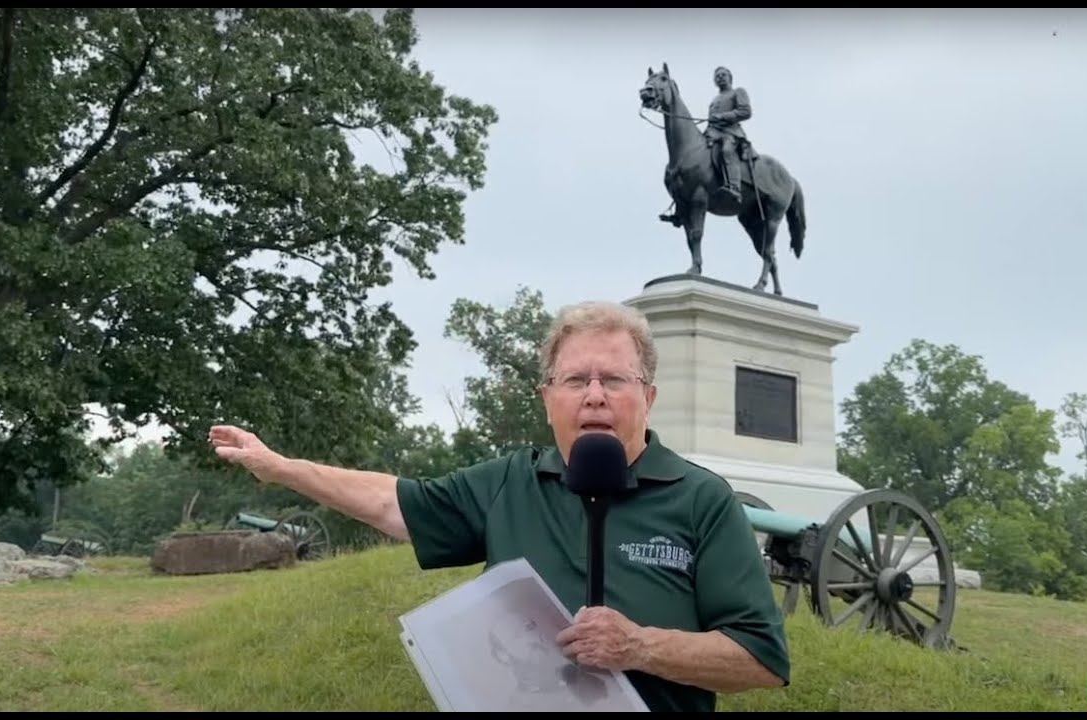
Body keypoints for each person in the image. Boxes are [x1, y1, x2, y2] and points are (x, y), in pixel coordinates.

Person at [209, 301, 791, 712]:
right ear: (547, 399)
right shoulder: (510, 481)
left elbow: (760, 658)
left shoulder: (702, 499)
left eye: (614, 379)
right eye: (575, 380)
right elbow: (392, 502)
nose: (593, 395)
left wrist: (639, 646)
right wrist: (281, 467)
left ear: (649, 397)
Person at [704, 65, 751, 204]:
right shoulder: (714, 100)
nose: (720, 77)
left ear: (730, 78)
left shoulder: (738, 92)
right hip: (712, 133)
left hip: (730, 133)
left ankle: (734, 187)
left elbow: (746, 112)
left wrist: (722, 116)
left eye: (723, 75)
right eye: (717, 76)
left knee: (727, 150)